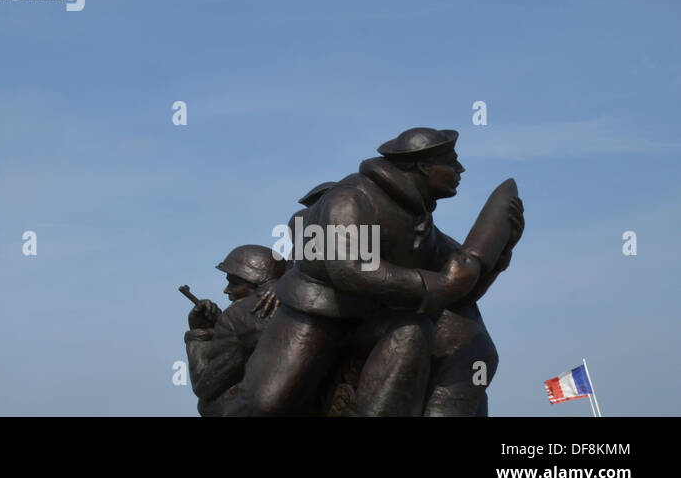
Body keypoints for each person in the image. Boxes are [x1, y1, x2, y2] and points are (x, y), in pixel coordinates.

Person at [224, 127, 523, 417]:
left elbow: (458, 289)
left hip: (372, 318)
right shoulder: (352, 198)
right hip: (317, 314)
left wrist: (499, 252)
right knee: (267, 403)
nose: (460, 169)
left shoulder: (418, 218)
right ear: (423, 166)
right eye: (451, 163)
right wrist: (437, 283)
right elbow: (351, 270)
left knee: (420, 333)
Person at [184, 245, 285, 416]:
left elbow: (204, 386)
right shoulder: (291, 307)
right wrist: (216, 331)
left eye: (233, 282)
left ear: (254, 281)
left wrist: (198, 334)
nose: (226, 290)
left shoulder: (236, 318)